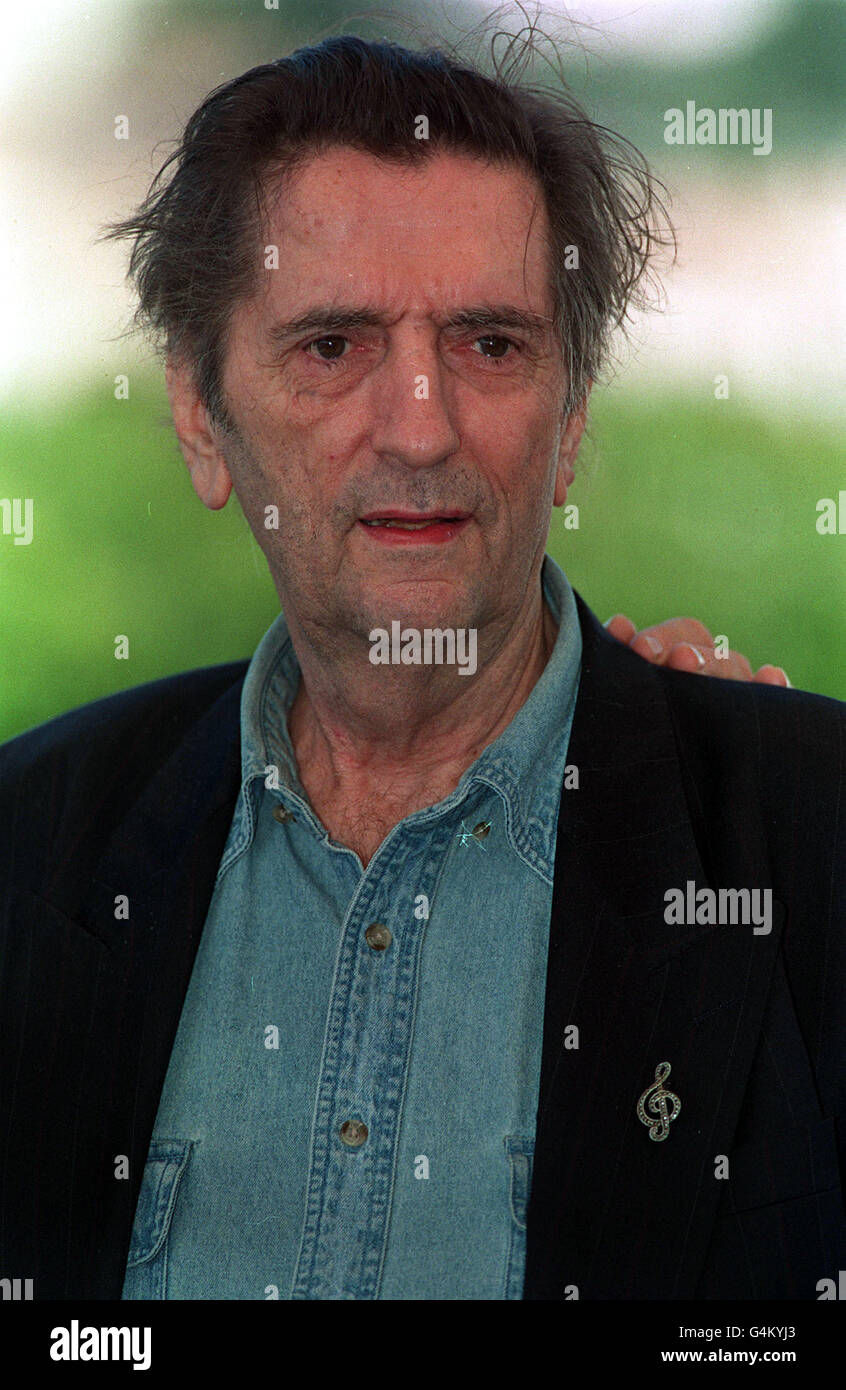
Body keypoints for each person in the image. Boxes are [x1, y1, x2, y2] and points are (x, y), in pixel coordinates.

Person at [0, 34, 841, 1303]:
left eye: (490, 344)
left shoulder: (804, 840)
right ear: (199, 416)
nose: (421, 422)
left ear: (569, 425)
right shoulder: (25, 850)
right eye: (331, 344)